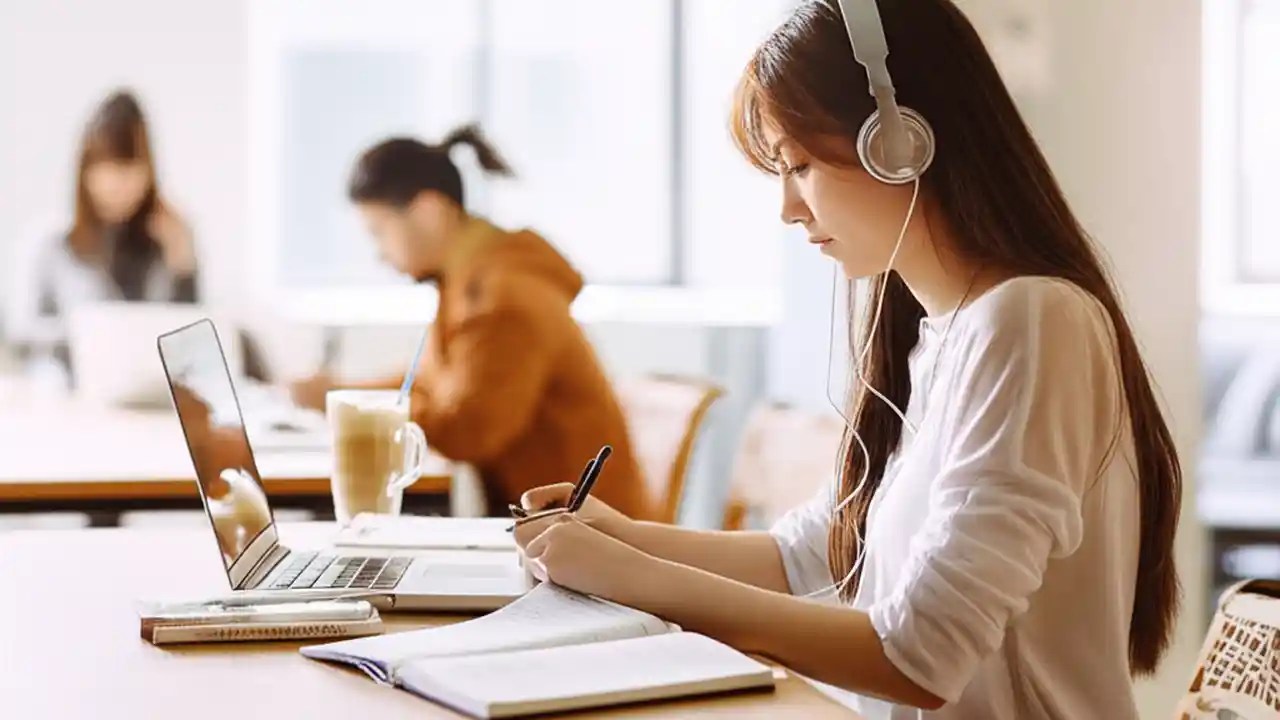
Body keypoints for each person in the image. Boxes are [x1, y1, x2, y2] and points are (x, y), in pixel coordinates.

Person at [512, 1, 1182, 718]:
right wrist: (624, 538)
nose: (788, 209)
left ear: (899, 141)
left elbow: (920, 656)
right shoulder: (941, 333)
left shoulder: (1033, 321)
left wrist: (631, 578)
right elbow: (812, 555)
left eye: (798, 165)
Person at [290, 125, 652, 520]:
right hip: (551, 526)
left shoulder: (503, 296)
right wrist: (343, 394)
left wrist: (354, 409)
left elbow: (468, 429)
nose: (379, 254)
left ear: (428, 212)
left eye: (379, 232)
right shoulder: (470, 281)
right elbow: (432, 383)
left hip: (588, 538)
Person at [4, 90, 197, 381]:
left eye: (130, 166)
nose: (116, 183)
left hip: (144, 398)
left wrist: (183, 266)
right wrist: (91, 335)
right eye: (106, 166)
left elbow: (187, 343)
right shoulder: (51, 244)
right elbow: (20, 333)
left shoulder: (164, 244)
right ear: (85, 170)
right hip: (65, 395)